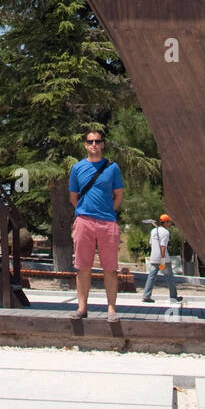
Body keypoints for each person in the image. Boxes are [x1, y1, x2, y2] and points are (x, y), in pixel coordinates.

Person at [68, 130, 125, 321]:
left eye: (97, 141)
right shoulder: (77, 168)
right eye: (90, 141)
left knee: (110, 268)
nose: (94, 144)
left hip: (107, 222)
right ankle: (82, 308)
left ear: (102, 145)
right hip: (84, 221)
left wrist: (108, 213)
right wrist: (85, 212)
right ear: (85, 145)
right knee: (82, 267)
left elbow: (118, 195)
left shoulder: (113, 168)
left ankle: (111, 309)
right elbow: (73, 197)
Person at [142, 212, 180, 304]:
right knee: (169, 277)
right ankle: (173, 297)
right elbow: (163, 246)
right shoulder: (166, 232)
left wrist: (154, 253)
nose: (170, 224)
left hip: (154, 257)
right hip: (163, 259)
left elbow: (151, 243)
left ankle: (146, 296)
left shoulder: (153, 231)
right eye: (169, 222)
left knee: (151, 277)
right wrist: (162, 259)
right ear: (165, 222)